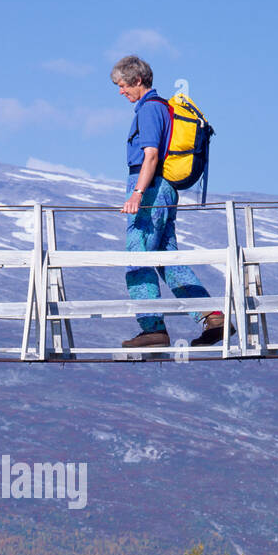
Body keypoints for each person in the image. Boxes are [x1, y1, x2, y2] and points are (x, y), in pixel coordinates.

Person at [111, 55, 227, 349]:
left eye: (123, 85)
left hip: (149, 188)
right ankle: (213, 318)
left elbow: (150, 154)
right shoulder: (162, 107)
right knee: (166, 260)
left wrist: (137, 193)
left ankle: (152, 329)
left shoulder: (149, 110)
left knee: (137, 261)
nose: (121, 91)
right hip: (165, 190)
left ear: (137, 80)